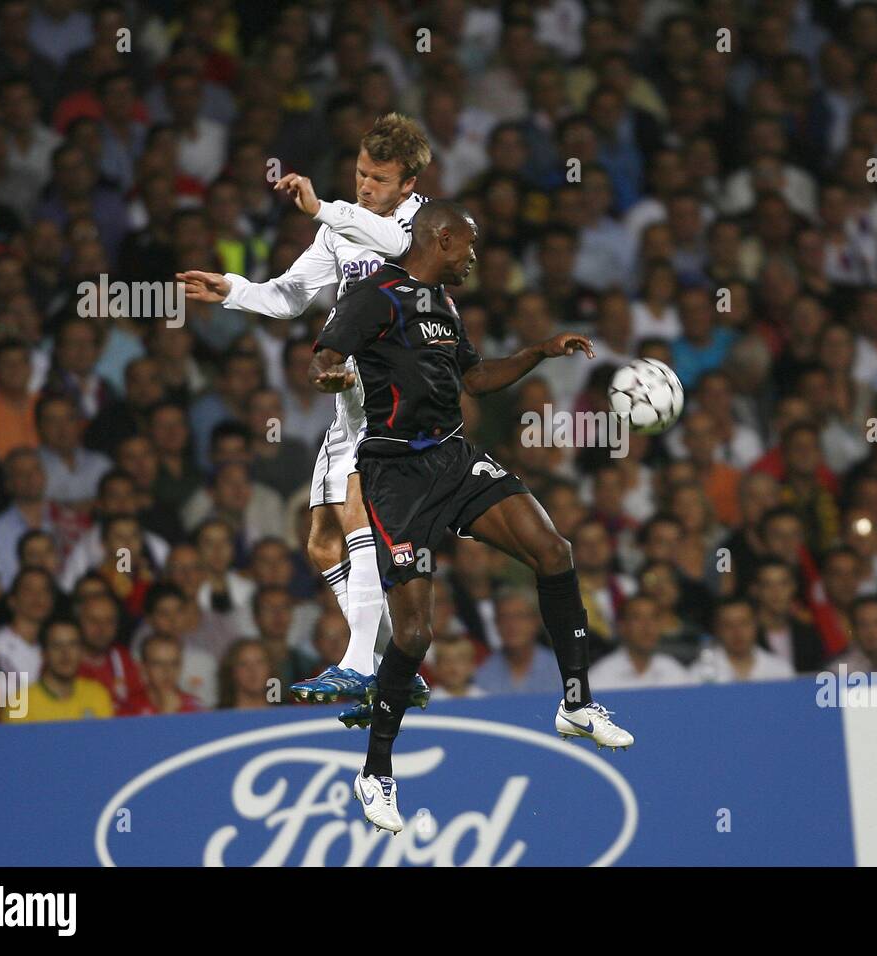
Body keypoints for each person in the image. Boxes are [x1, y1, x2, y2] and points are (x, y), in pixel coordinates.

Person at [309, 198, 633, 831]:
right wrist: (329, 375)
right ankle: (376, 772)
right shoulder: (377, 295)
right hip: (396, 477)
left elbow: (476, 379)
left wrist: (540, 349)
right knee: (414, 636)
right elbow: (326, 352)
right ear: (443, 239)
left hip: (455, 462)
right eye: (470, 247)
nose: (476, 258)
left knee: (554, 552)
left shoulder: (444, 307)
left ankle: (576, 703)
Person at [180, 114, 432, 708]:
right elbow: (291, 296)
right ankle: (393, 664)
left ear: (409, 183)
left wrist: (324, 207)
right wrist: (234, 289)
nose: (366, 186)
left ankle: (358, 663)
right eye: (360, 174)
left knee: (357, 515)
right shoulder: (339, 229)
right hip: (348, 399)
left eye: (380, 178)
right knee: (320, 541)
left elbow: (397, 246)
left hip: (400, 397)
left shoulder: (426, 225)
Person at [6, 618, 114, 723]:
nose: (66, 653)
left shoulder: (97, 694)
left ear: (81, 651)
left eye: (72, 645)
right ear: (44, 654)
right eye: (57, 645)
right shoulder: (19, 704)